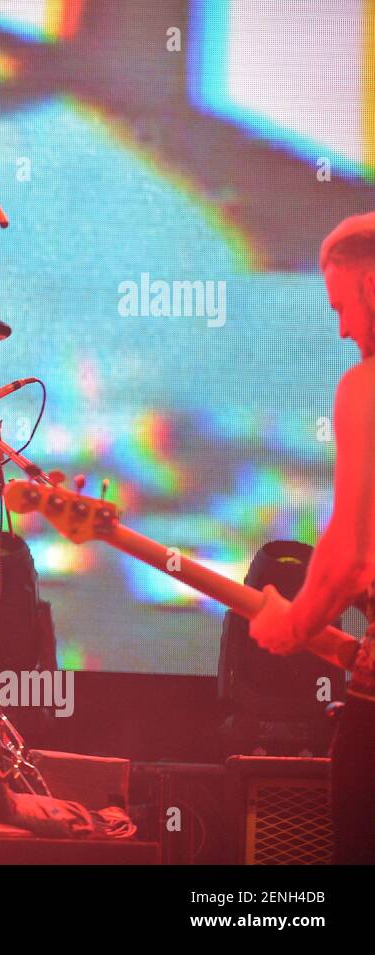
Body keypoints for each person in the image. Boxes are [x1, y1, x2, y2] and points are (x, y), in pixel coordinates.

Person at [251, 211, 375, 864]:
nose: (343, 328)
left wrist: (293, 625)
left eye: (343, 306)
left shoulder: (366, 384)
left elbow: (351, 555)